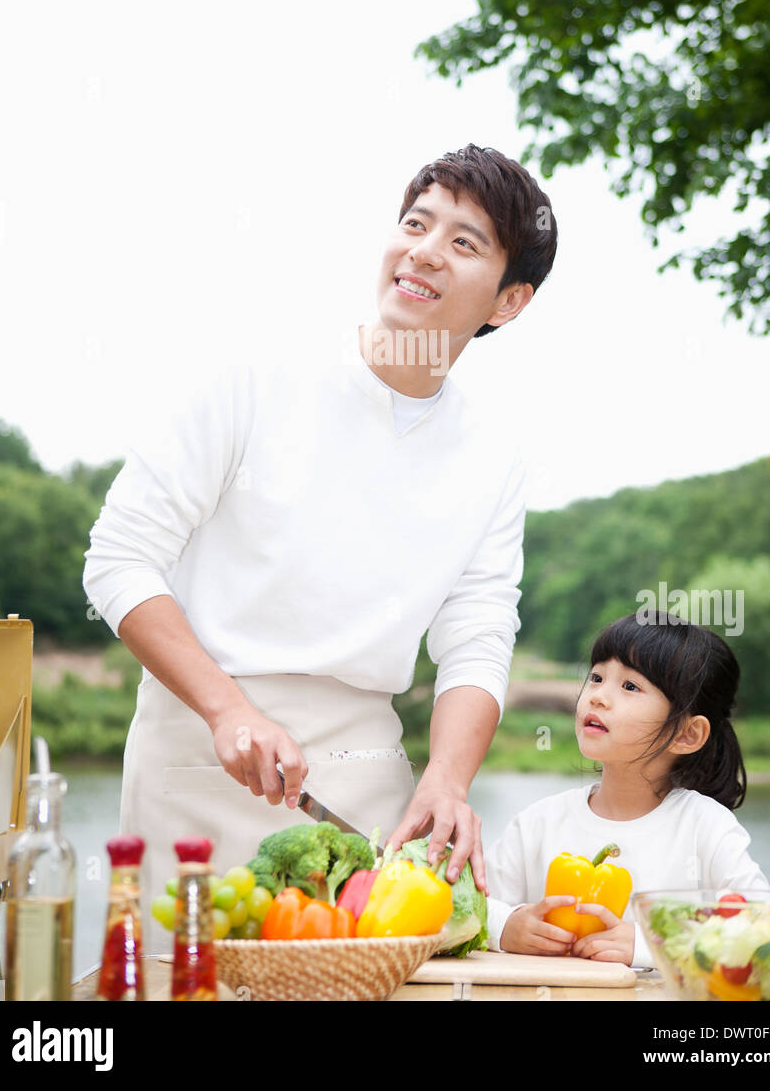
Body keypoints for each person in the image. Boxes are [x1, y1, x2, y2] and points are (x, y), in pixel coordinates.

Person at [82, 143, 557, 947]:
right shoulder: (255, 378)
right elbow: (118, 558)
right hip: (197, 750)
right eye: (416, 223)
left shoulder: (494, 458)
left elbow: (478, 634)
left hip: (366, 776)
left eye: (464, 242)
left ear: (508, 302)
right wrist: (228, 710)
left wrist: (447, 776)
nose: (424, 251)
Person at [484, 612, 770, 968]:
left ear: (687, 734)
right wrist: (504, 927)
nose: (598, 697)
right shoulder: (538, 822)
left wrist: (647, 943)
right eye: (597, 677)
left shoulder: (704, 825)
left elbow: (764, 927)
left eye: (630, 686)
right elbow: (469, 908)